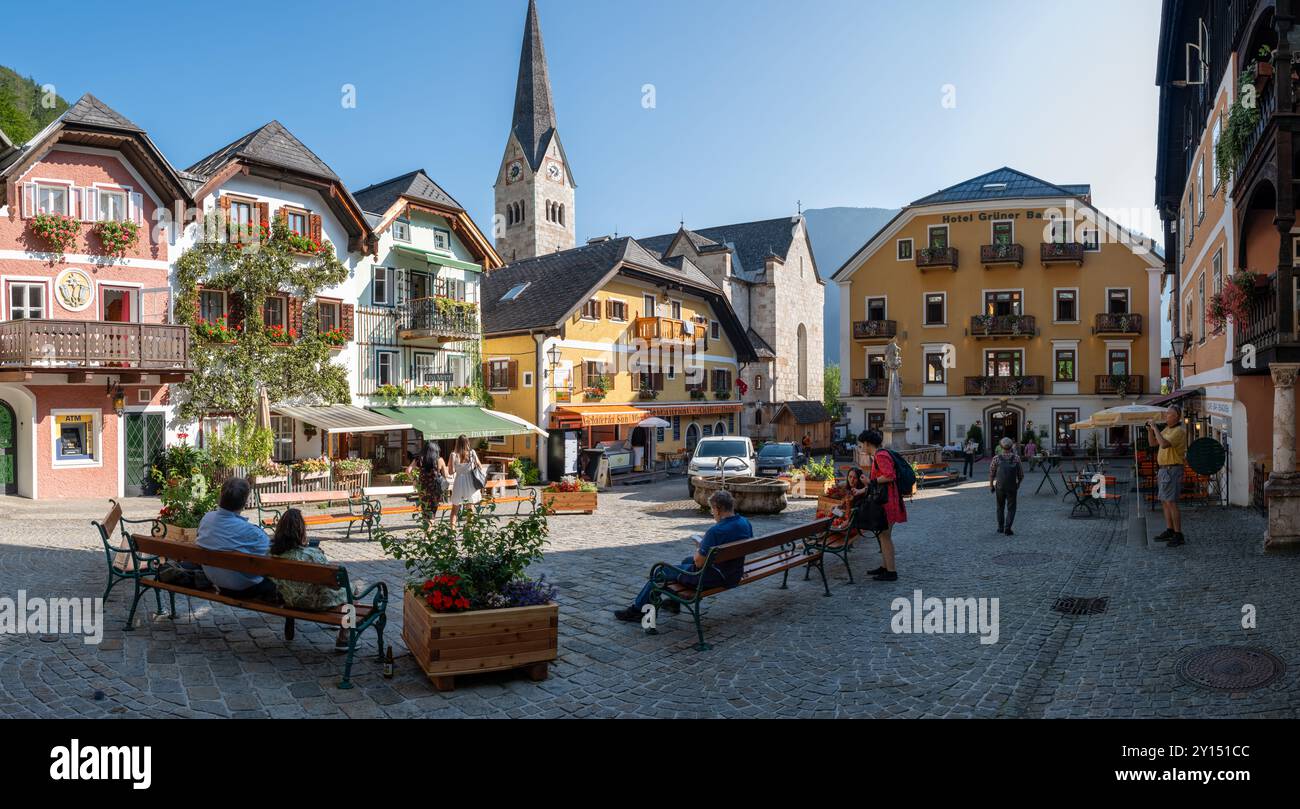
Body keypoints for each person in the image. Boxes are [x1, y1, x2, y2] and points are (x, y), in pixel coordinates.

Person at [614, 489, 752, 622]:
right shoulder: (745, 523)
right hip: (733, 572)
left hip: (714, 578)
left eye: (712, 510)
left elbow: (699, 563)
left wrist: (700, 548)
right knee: (686, 560)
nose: (712, 513)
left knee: (660, 572)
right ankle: (674, 603)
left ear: (717, 509)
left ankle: (637, 611)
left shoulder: (715, 531)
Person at [270, 508, 350, 649]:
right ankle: (345, 637)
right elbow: (335, 584)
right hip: (315, 603)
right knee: (353, 594)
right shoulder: (312, 555)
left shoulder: (271, 554)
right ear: (301, 531)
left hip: (288, 599)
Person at [195, 477, 275, 600]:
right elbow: (272, 553)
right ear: (245, 502)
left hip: (216, 581)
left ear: (221, 497)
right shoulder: (251, 532)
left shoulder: (207, 519)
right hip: (244, 588)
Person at [860, 429, 905, 581]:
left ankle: (891, 572)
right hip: (886, 500)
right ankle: (885, 566)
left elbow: (889, 475)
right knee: (883, 535)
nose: (861, 448)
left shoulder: (880, 456)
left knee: (885, 536)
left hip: (887, 502)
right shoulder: (880, 455)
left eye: (862, 445)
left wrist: (870, 481)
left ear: (867, 443)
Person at [1147, 406, 1188, 547]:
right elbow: (1153, 443)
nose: (1166, 416)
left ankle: (1178, 534)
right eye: (1166, 414)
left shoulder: (1179, 431)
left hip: (1172, 469)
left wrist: (1155, 428)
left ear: (1177, 416)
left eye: (1169, 414)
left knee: (1171, 502)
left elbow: (1163, 444)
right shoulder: (1167, 429)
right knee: (1165, 501)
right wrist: (1150, 430)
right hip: (1164, 470)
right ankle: (1170, 530)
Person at [988, 437, 1024, 536]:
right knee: (1011, 507)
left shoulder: (996, 458)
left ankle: (1000, 527)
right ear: (1011, 446)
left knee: (1000, 507)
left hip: (1000, 486)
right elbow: (1021, 475)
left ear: (1001, 446)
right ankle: (1008, 527)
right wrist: (1018, 484)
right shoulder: (1016, 458)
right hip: (1012, 486)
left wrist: (991, 485)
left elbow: (991, 473)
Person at [448, 434, 484, 527]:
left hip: (459, 482)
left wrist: (458, 468)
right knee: (470, 507)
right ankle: (469, 528)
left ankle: (452, 529)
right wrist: (471, 467)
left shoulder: (453, 455)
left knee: (455, 509)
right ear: (467, 442)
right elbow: (480, 466)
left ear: (457, 443)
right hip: (470, 482)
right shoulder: (472, 453)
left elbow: (451, 472)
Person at [417, 440, 449, 518]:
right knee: (432, 513)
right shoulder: (439, 460)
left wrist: (414, 480)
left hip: (423, 489)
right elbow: (446, 475)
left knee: (425, 511)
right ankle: (429, 529)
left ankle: (427, 527)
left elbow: (408, 471)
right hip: (435, 490)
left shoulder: (420, 460)